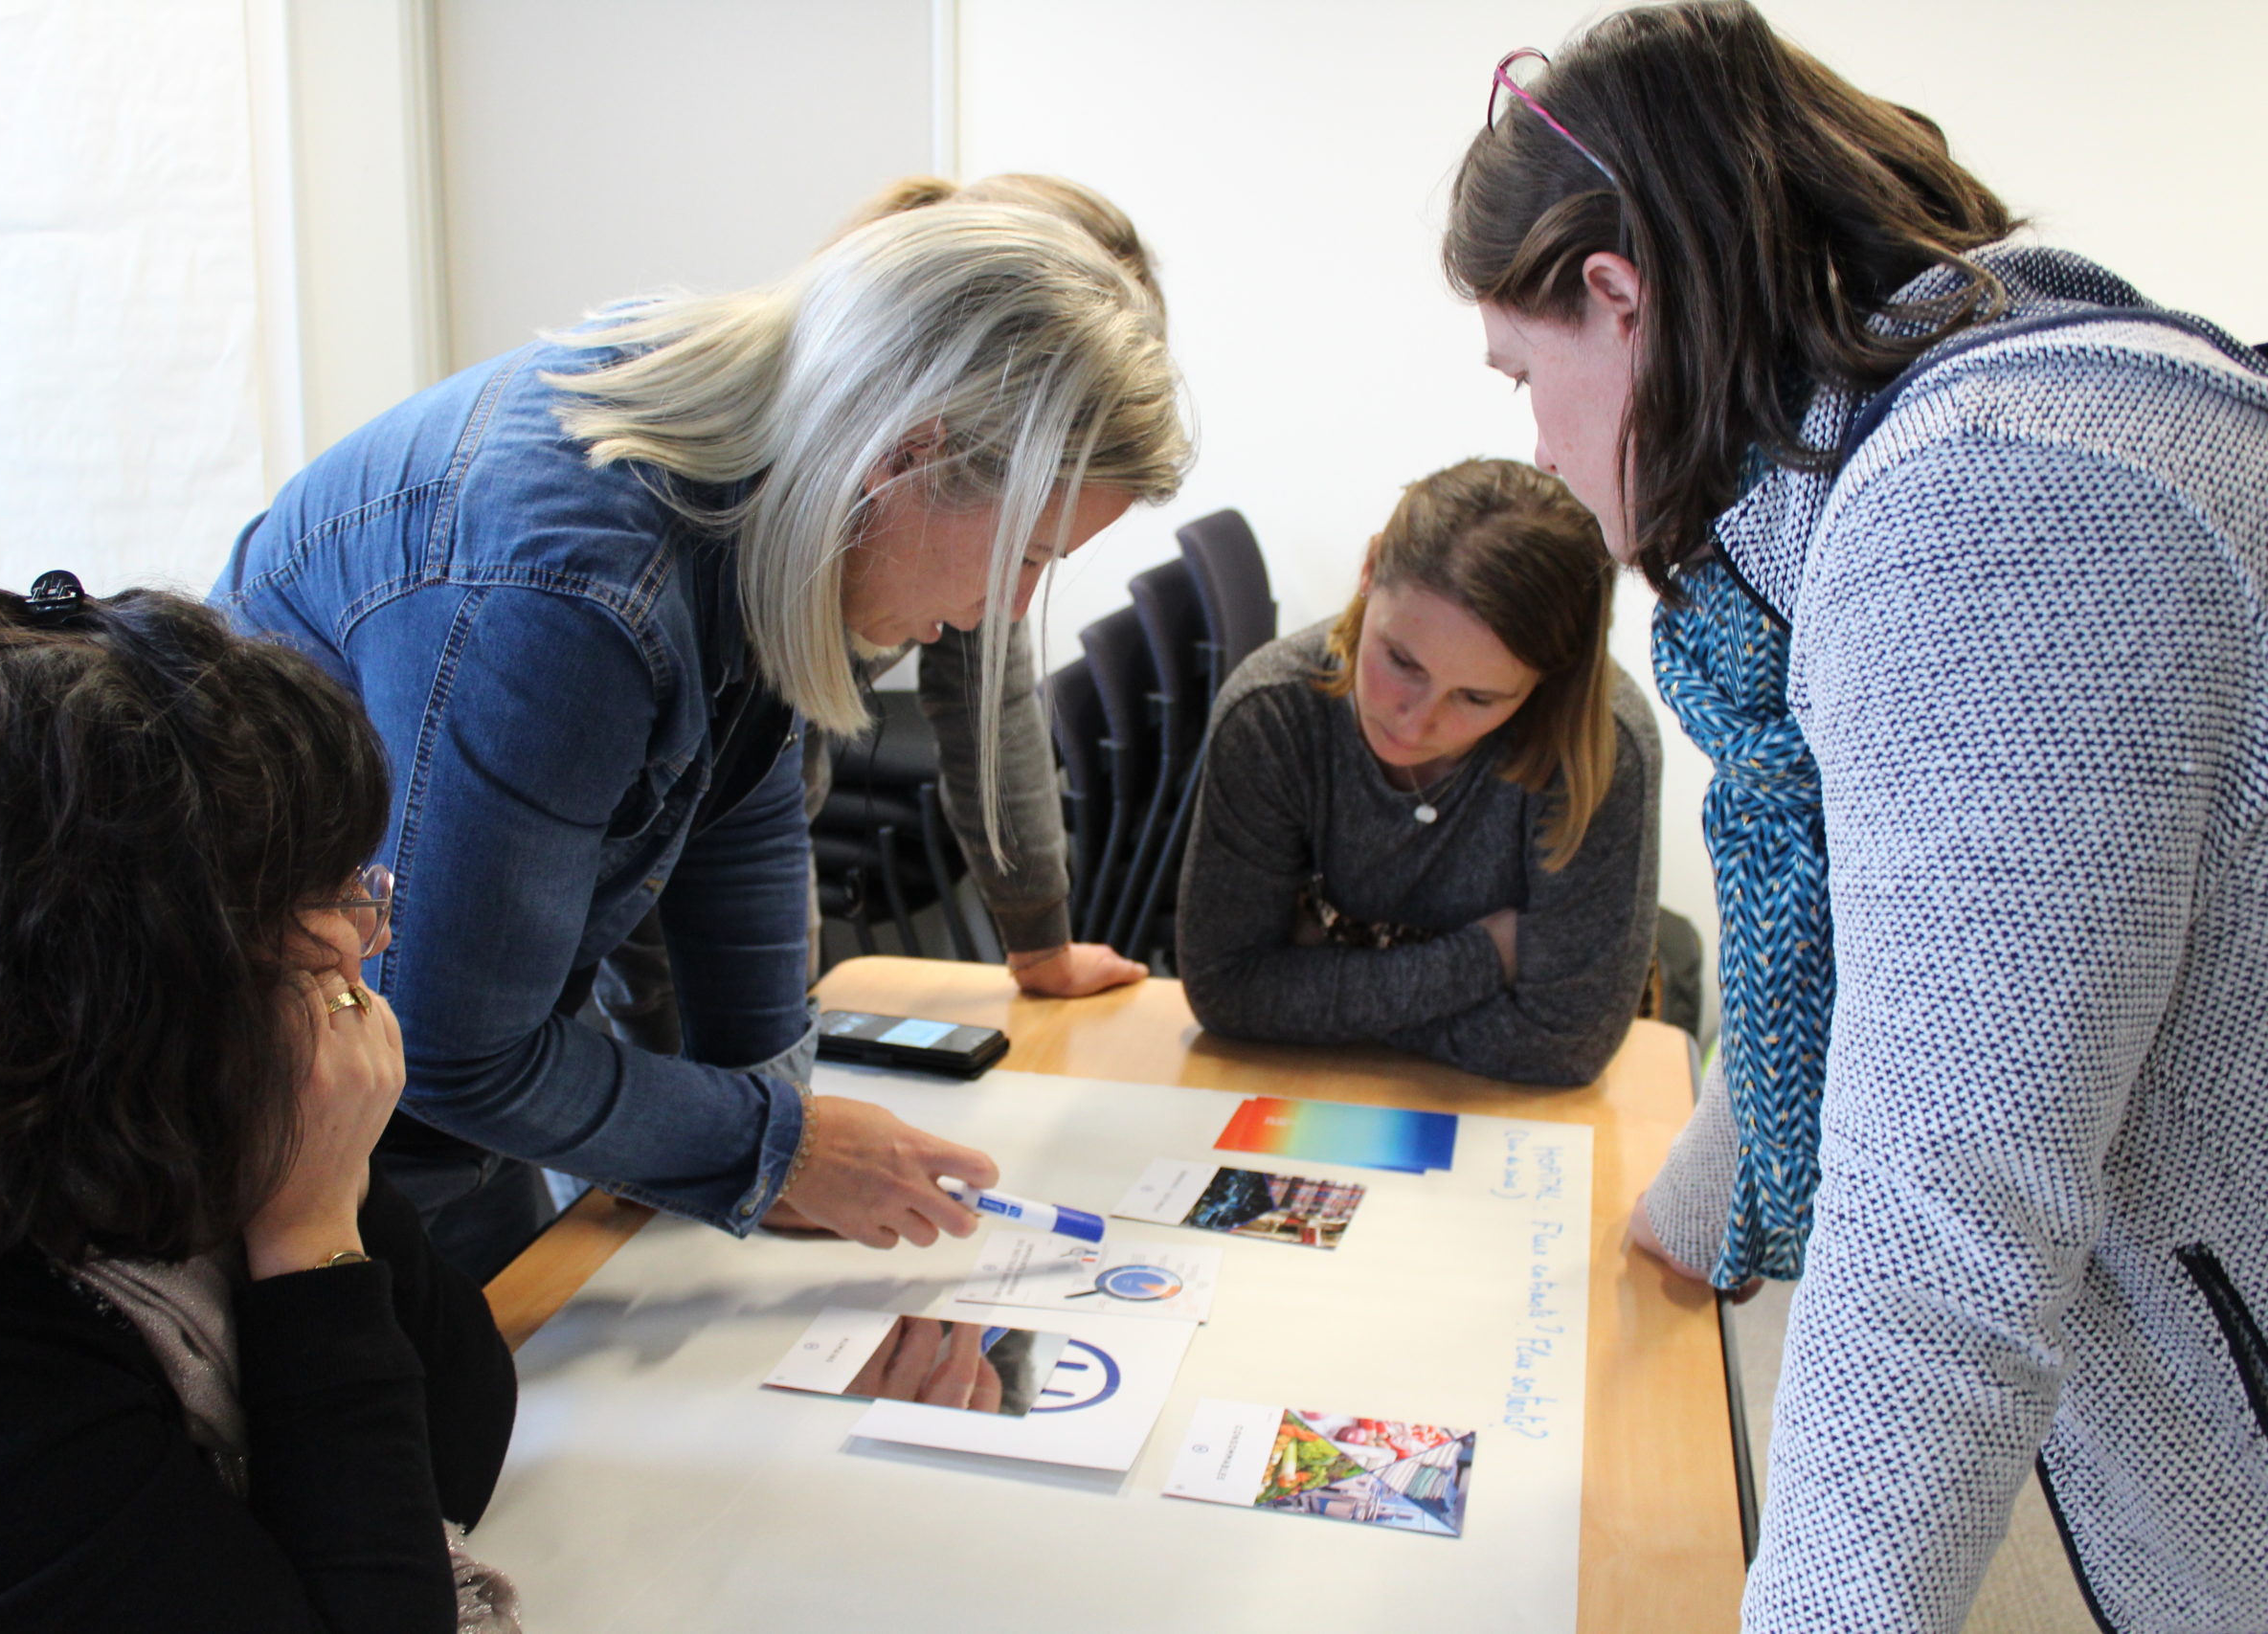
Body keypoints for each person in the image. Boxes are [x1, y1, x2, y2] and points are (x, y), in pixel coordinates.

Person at [1445, 4, 2268, 1628]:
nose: (1535, 441)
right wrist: (1687, 1216)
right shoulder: (2023, 400)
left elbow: (1942, 1251)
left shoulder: (1985, 505)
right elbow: (1918, 973)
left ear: (1618, 296)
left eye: (1525, 374)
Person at [216, 200, 1189, 1281]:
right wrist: (781, 1146)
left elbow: (735, 790)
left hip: (415, 1084)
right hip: (276, 1104)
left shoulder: (770, 456)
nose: (1008, 609)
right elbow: (451, 1049)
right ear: (910, 454)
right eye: (1028, 554)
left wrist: (777, 1115)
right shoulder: (568, 595)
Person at [0, 579, 516, 1633]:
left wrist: (323, 1171)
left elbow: (463, 1445)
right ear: (132, 975)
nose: (362, 938)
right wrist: (311, 1243)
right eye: (319, 897)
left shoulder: (151, 1118)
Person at [601, 173, 1172, 1063]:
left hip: (768, 769)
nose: (1017, 599)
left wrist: (1038, 936)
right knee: (669, 1043)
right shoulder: (668, 555)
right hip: (671, 775)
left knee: (761, 1038)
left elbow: (990, 707)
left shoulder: (966, 506)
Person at [1176, 459, 1659, 1086]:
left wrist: (1325, 983)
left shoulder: (1599, 747)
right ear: (1370, 567)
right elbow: (1228, 989)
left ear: (1547, 681)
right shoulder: (1272, 713)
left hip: (1515, 1112)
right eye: (1402, 660)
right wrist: (1489, 956)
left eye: (1477, 698)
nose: (1417, 720)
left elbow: (1565, 1043)